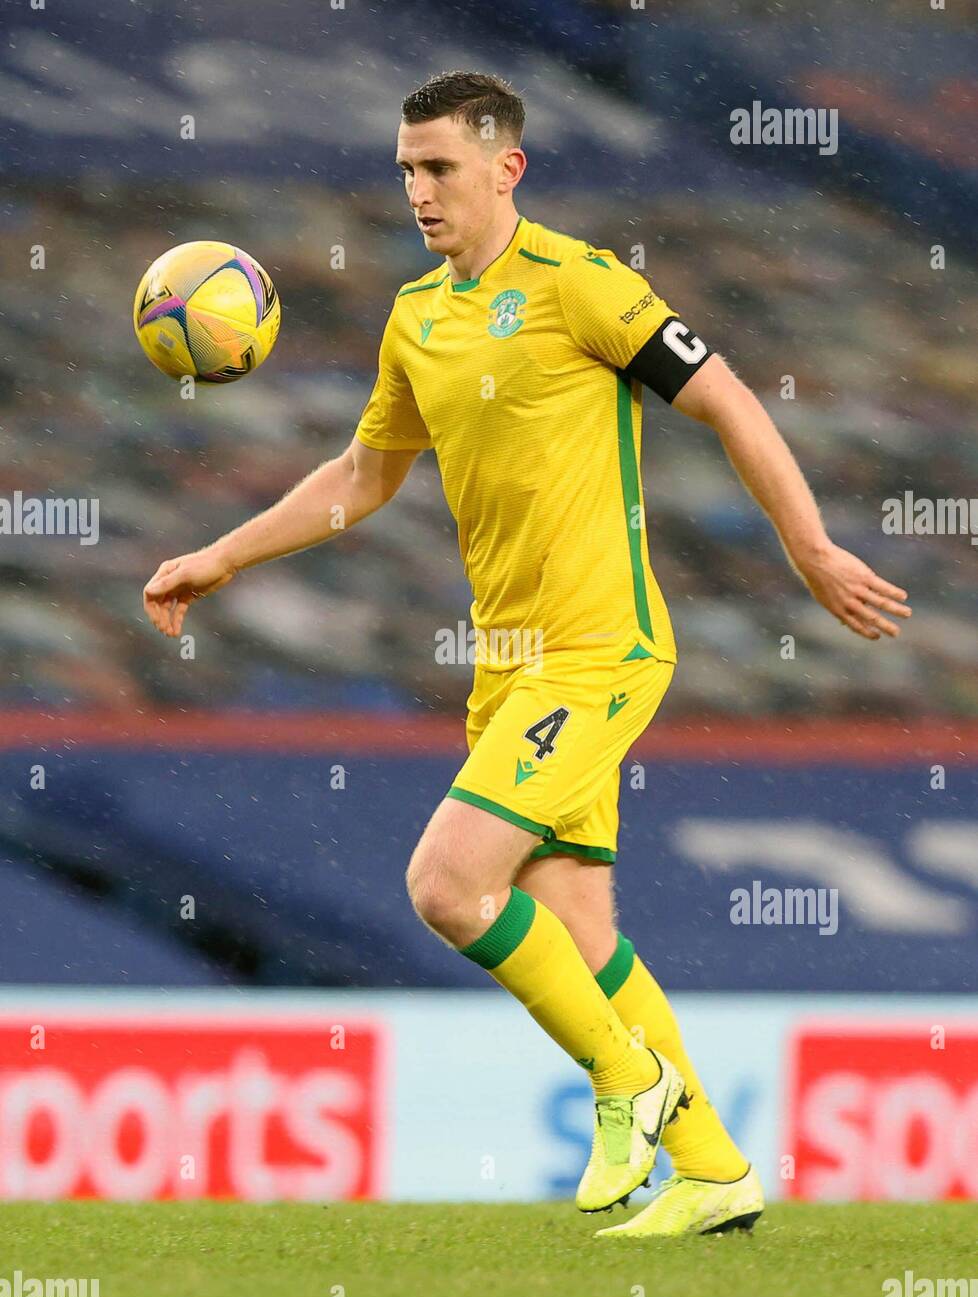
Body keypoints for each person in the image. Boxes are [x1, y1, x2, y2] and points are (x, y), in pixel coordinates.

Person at [143, 71, 910, 1237]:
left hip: (600, 651)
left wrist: (808, 546)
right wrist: (222, 554)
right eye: (406, 168)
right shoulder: (417, 315)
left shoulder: (580, 284)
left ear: (509, 168)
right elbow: (363, 477)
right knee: (584, 936)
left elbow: (731, 401)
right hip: (505, 666)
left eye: (440, 167)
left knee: (448, 884)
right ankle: (713, 1171)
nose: (418, 190)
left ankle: (627, 1081)